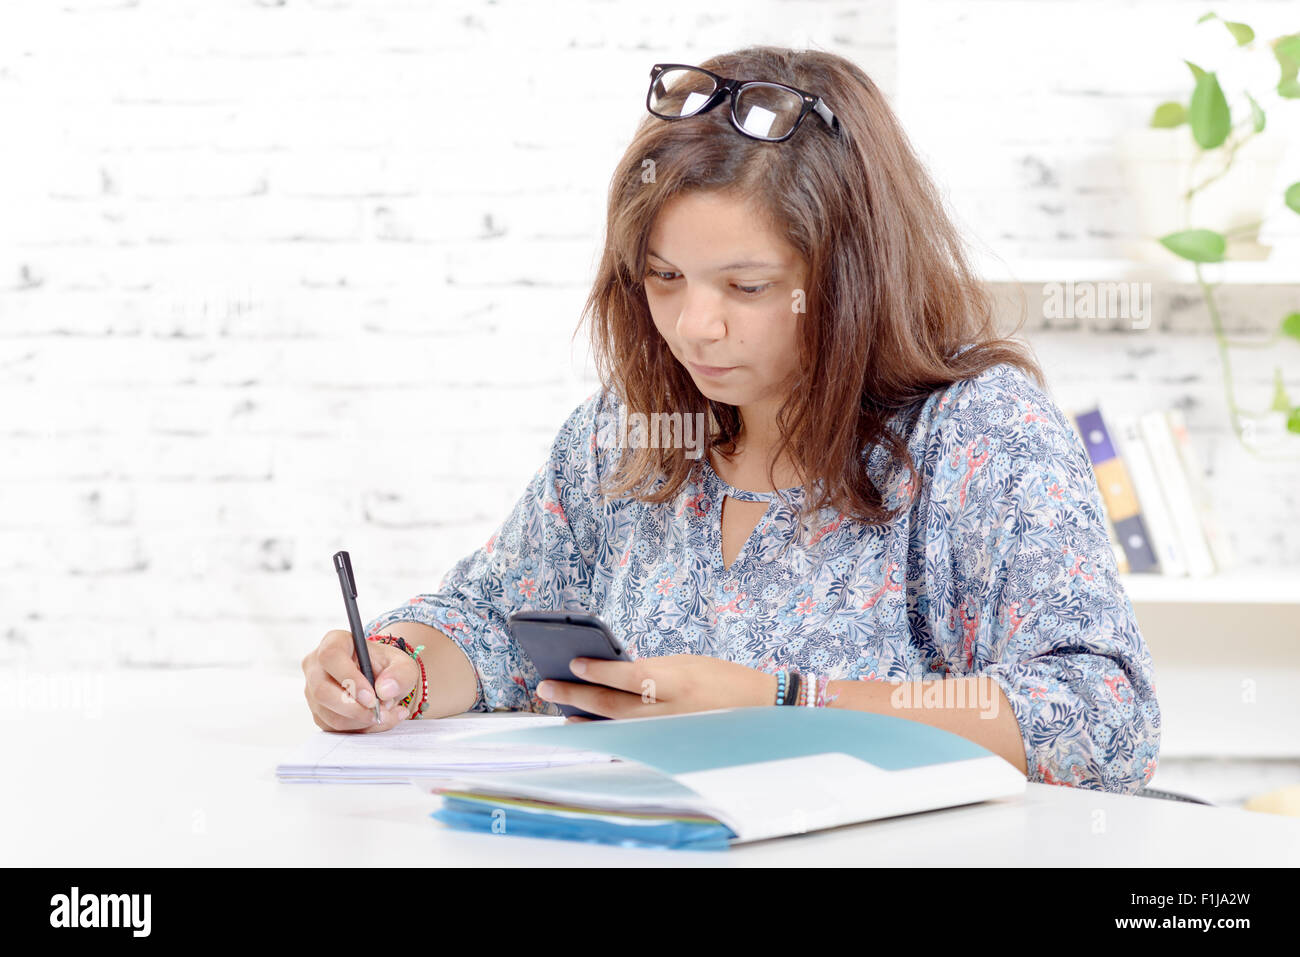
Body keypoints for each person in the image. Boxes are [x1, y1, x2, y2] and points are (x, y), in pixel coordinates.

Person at [301, 46, 1161, 794]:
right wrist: (397, 671)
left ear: (850, 277)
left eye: (746, 287)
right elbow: (490, 621)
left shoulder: (977, 436)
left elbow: (1102, 719)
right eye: (664, 277)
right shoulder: (627, 434)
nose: (693, 326)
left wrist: (778, 702)